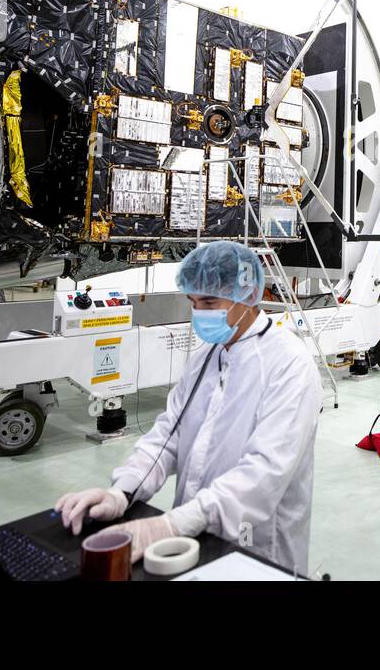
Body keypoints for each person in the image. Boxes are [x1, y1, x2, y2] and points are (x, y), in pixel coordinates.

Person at [54, 240, 323, 573]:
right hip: (190, 535)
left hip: (257, 546)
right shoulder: (205, 358)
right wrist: (121, 492)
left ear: (248, 295)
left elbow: (264, 473)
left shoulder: (288, 364)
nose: (199, 312)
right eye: (194, 301)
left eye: (210, 300)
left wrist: (171, 525)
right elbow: (168, 435)